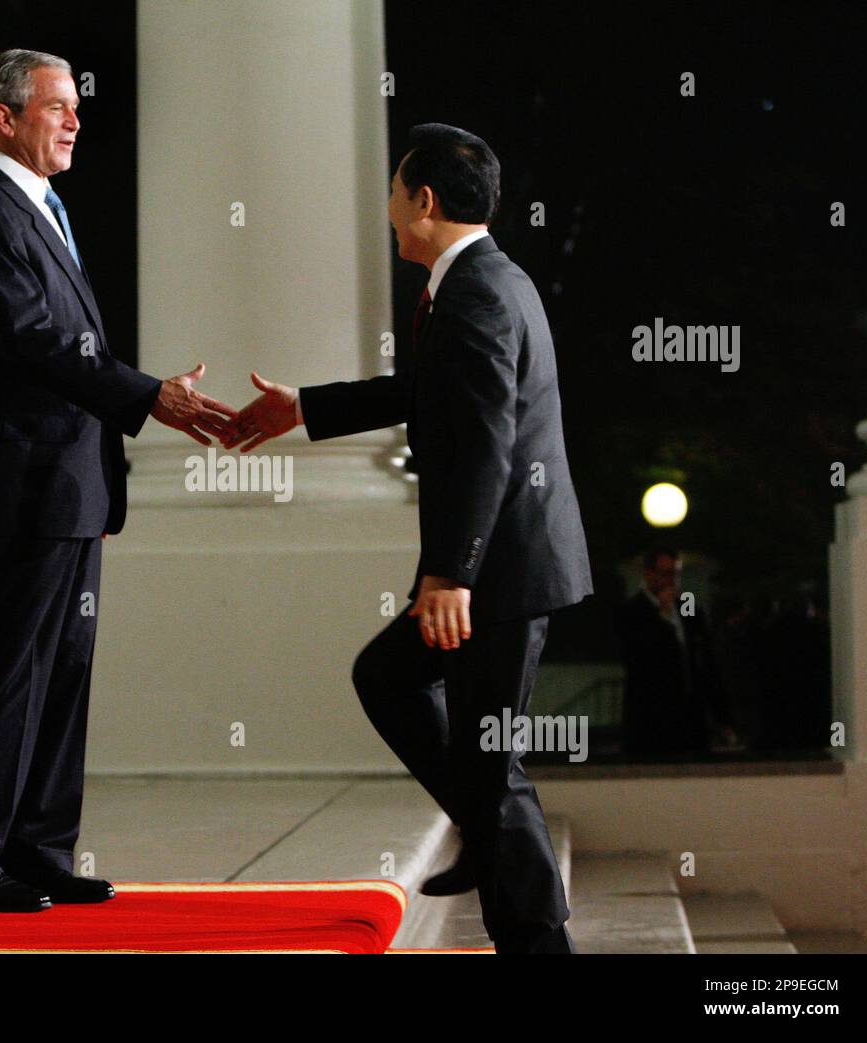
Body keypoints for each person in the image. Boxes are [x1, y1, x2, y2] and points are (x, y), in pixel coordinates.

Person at [223, 124, 593, 954]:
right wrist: (305, 406)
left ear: (423, 200)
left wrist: (450, 574)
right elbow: (429, 389)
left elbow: (490, 440)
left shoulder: (479, 291)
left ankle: (537, 938)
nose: (388, 212)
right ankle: (484, 835)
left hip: (500, 569)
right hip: (504, 560)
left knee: (488, 761)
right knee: (395, 680)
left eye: (394, 193)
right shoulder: (483, 280)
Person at [0, 49, 235, 912]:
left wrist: (113, 450)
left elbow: (71, 347)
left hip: (68, 485)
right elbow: (34, 341)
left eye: (74, 107)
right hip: (17, 487)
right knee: (4, 672)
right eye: (57, 107)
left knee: (63, 669)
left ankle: (37, 850)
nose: (75, 119)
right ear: (3, 118)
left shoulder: (43, 209)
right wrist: (151, 395)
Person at [615, 548, 734, 758]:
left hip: (689, 720)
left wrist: (722, 717)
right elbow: (638, 661)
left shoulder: (688, 609)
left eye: (675, 574)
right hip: (650, 722)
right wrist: (662, 618)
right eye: (665, 574)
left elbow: (704, 663)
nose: (671, 581)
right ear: (649, 574)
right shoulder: (632, 612)